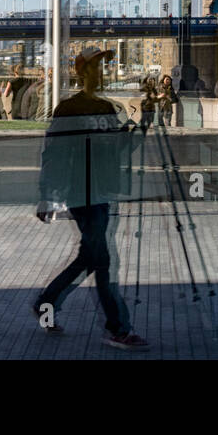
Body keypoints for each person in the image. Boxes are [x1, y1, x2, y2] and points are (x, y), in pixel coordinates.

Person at [33, 46, 148, 350]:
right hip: (79, 192)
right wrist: (46, 196)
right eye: (95, 67)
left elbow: (118, 150)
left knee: (90, 257)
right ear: (81, 72)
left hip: (101, 191)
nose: (101, 72)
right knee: (104, 260)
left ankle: (45, 302)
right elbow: (52, 154)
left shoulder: (107, 108)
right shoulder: (67, 109)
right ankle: (117, 328)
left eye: (103, 67)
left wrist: (138, 128)